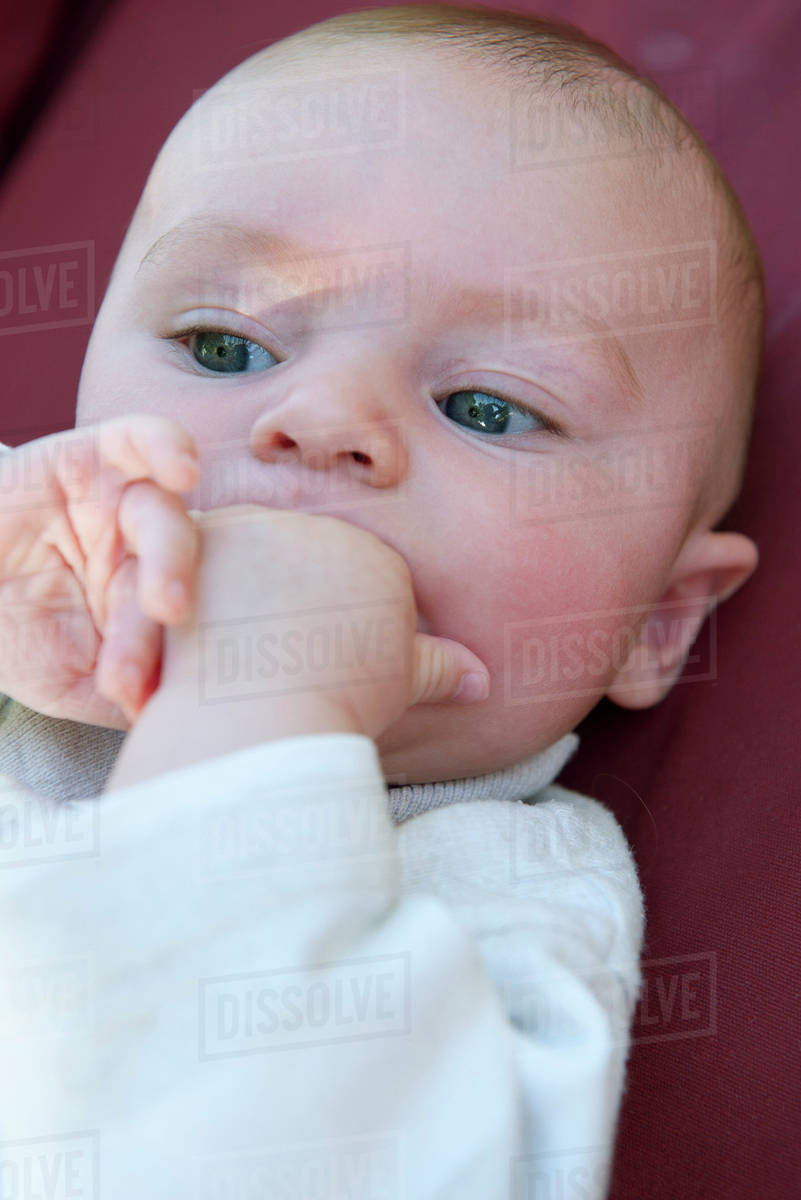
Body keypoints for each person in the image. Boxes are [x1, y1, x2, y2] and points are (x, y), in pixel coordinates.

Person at [0, 5, 763, 1197]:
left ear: (660, 618)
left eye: (489, 409)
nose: (321, 419)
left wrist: (258, 704)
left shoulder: (508, 902)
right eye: (223, 345)